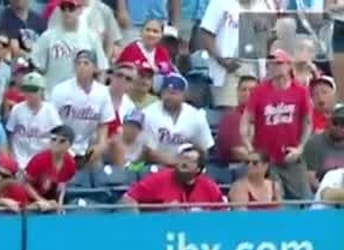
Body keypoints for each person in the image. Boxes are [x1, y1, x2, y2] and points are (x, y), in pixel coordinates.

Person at [242, 48, 314, 199]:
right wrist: (249, 148)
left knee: (305, 199)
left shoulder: (300, 91)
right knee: (274, 199)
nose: (274, 66)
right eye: (271, 63)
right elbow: (246, 120)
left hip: (291, 157)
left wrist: (300, 148)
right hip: (267, 159)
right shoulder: (259, 91)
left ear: (288, 66)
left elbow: (308, 122)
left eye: (278, 63)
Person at [48, 50, 112, 163]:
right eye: (79, 63)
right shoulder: (60, 90)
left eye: (86, 63)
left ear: (95, 68)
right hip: (62, 145)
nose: (82, 67)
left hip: (88, 147)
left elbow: (103, 125)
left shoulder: (103, 92)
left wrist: (100, 145)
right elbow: (51, 123)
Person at [31, 1, 106, 91]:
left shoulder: (91, 37)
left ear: (80, 10)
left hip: (81, 98)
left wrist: (97, 94)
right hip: (53, 96)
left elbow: (101, 68)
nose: (66, 12)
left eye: (71, 8)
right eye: (63, 8)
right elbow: (38, 68)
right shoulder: (48, 37)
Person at [123, 143, 226, 207]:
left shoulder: (209, 187)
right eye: (182, 158)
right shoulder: (158, 179)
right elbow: (128, 199)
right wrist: (137, 226)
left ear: (198, 169)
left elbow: (223, 213)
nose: (184, 163)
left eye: (190, 161)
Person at [8, 70, 65, 164]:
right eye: (27, 89)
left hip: (42, 161)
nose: (30, 93)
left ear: (41, 91)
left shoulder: (50, 110)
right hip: (19, 160)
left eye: (33, 90)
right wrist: (12, 156)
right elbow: (10, 134)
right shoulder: (17, 109)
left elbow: (59, 135)